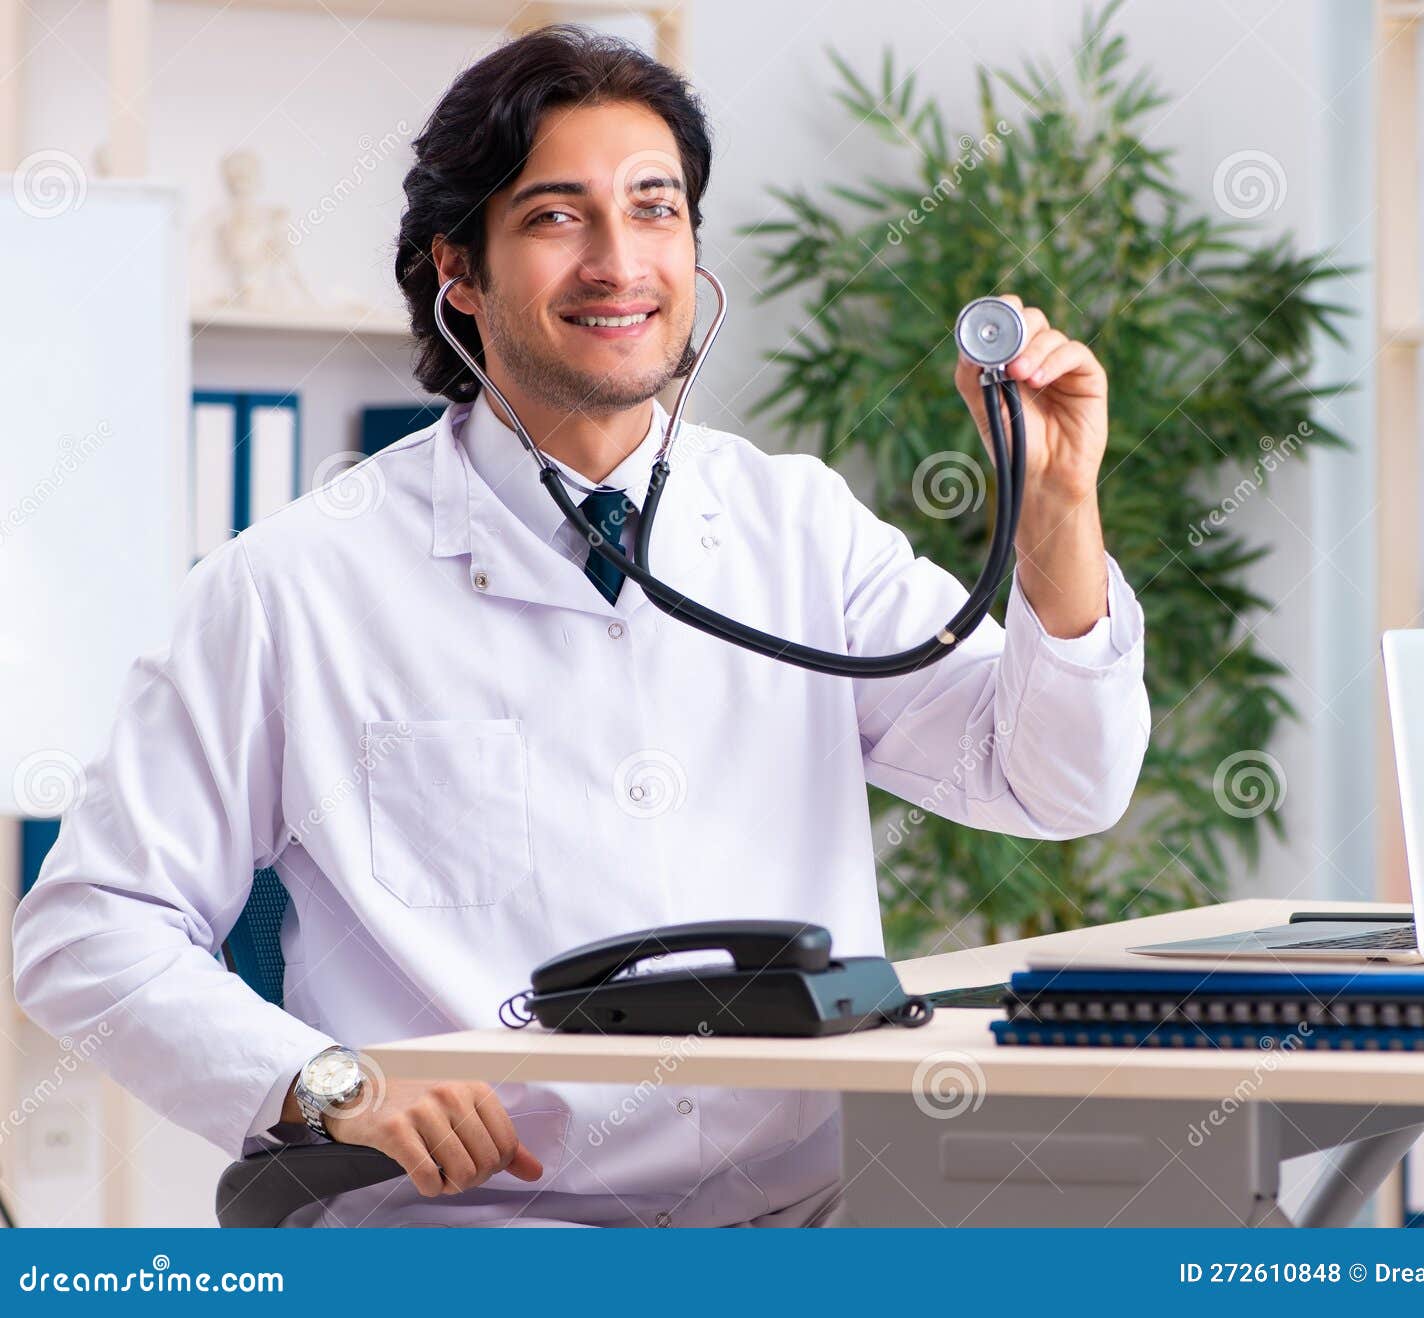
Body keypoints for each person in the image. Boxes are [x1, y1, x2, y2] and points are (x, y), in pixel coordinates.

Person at [12, 24, 1150, 1228]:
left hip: (811, 1211)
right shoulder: (293, 582)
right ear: (460, 268)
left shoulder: (797, 526)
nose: (620, 260)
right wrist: (324, 1084)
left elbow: (1057, 786)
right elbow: (89, 928)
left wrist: (1058, 516)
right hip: (486, 1232)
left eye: (655, 210)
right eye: (557, 217)